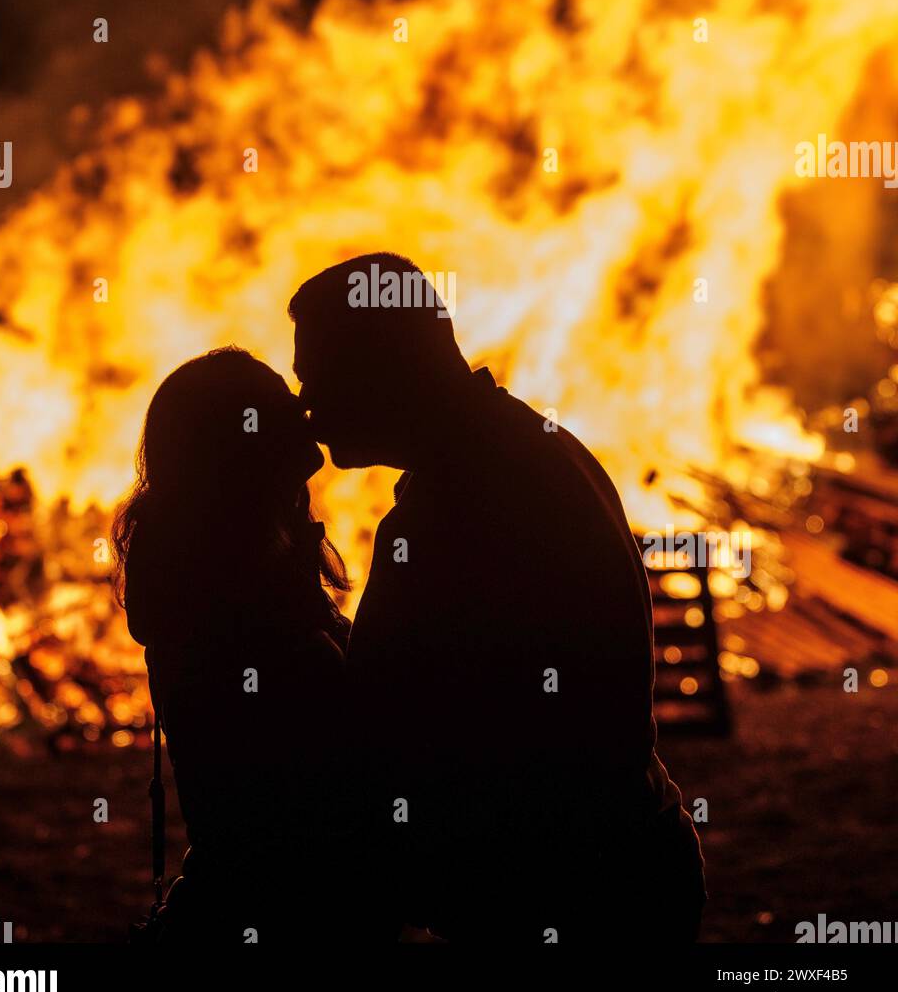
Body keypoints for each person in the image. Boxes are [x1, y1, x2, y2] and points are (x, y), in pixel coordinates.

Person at [289, 252, 706, 942]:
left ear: (381, 365)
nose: (308, 406)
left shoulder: (459, 504)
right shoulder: (530, 450)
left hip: (567, 896)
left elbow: (383, 716)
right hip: (613, 865)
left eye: (318, 377)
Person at [113, 347, 352, 942]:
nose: (300, 408)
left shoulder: (256, 554)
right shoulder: (226, 588)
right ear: (234, 442)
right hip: (277, 911)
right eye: (275, 403)